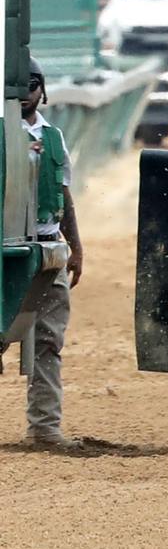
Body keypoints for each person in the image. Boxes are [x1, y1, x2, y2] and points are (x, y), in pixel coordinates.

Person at [2, 63, 82, 450]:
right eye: (15, 85)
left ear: (42, 90)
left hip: (49, 247)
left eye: (30, 85)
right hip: (8, 251)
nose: (23, 93)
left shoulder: (54, 136)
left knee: (48, 339)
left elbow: (64, 194)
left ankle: (44, 428)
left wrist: (76, 246)